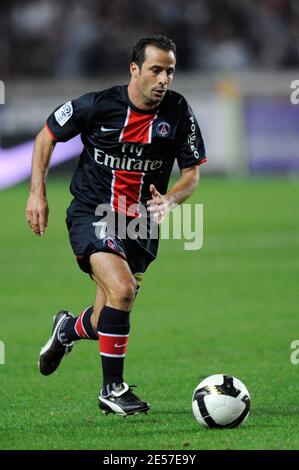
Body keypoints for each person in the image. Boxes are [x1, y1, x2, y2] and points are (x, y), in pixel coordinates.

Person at [26, 35, 206, 417]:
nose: (164, 79)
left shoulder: (177, 112)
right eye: (156, 70)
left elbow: (191, 173)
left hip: (140, 225)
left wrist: (171, 199)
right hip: (93, 212)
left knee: (105, 314)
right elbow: (47, 134)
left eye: (170, 72)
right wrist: (37, 193)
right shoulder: (98, 105)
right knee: (122, 290)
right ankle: (113, 390)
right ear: (135, 69)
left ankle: (67, 331)